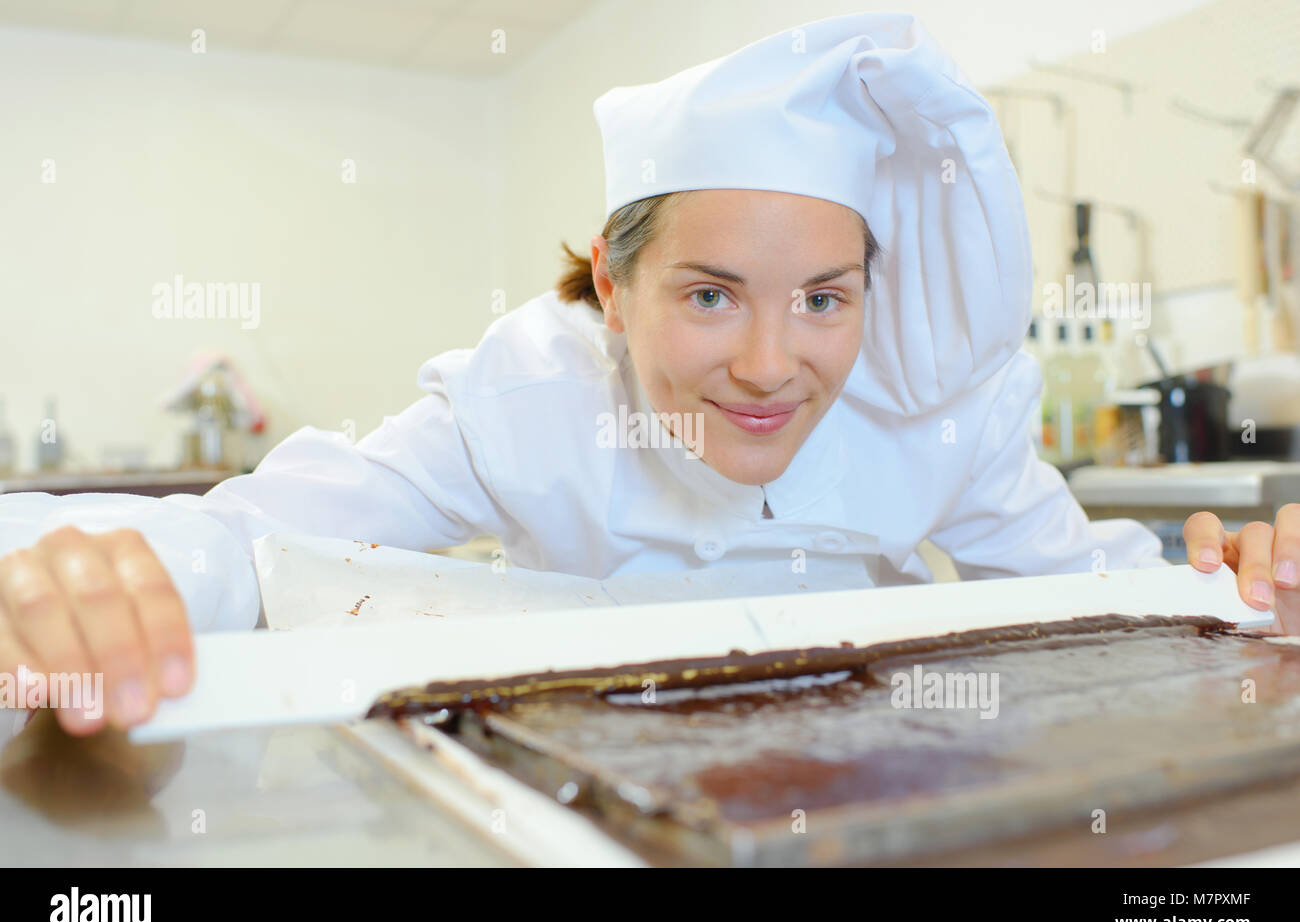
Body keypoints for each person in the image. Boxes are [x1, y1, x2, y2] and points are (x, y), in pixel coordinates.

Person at [1, 12, 1294, 739]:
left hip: (875, 781)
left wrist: (1232, 578)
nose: (771, 365)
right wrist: (103, 583)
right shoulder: (529, 395)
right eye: (710, 294)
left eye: (824, 299)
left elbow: (1098, 585)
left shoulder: (931, 406)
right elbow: (256, 541)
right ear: (615, 293)